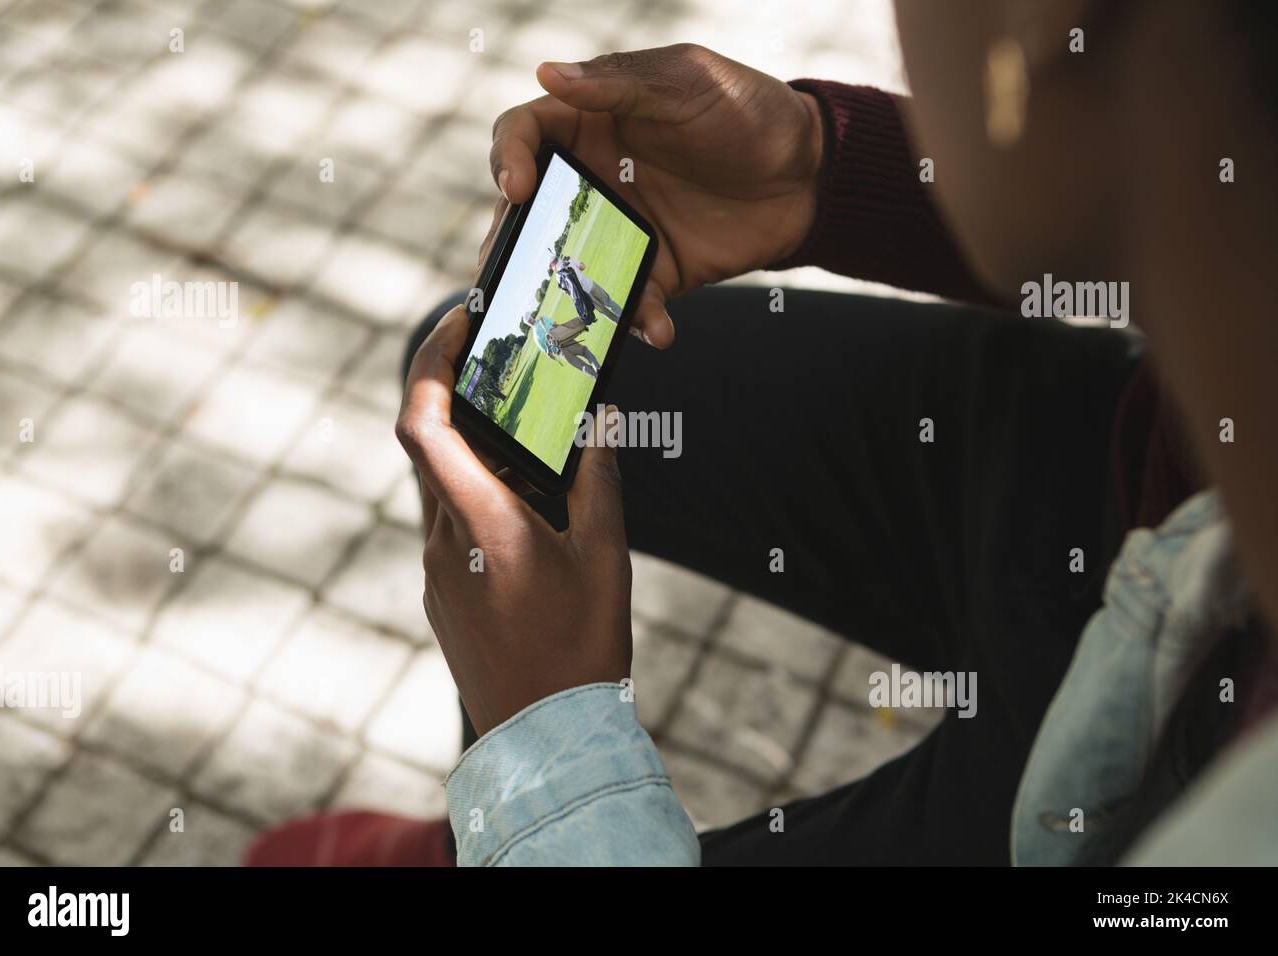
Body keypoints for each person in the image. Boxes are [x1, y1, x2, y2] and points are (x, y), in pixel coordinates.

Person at [246, 0, 1278, 866]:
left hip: (1126, 767)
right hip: (1129, 461)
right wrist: (822, 168)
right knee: (488, 403)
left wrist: (550, 758)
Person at [525, 308, 601, 378]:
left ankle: (597, 376)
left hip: (560, 352)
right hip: (566, 340)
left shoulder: (536, 338)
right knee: (585, 351)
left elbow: (549, 353)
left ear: (528, 324)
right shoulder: (543, 319)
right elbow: (557, 325)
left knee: (582, 366)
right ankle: (597, 367)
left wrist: (553, 356)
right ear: (531, 317)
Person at [551, 255, 622, 323]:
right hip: (591, 285)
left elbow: (569, 292)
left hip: (586, 296)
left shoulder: (559, 277)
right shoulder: (570, 261)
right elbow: (583, 267)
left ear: (553, 265)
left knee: (605, 312)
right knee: (609, 302)